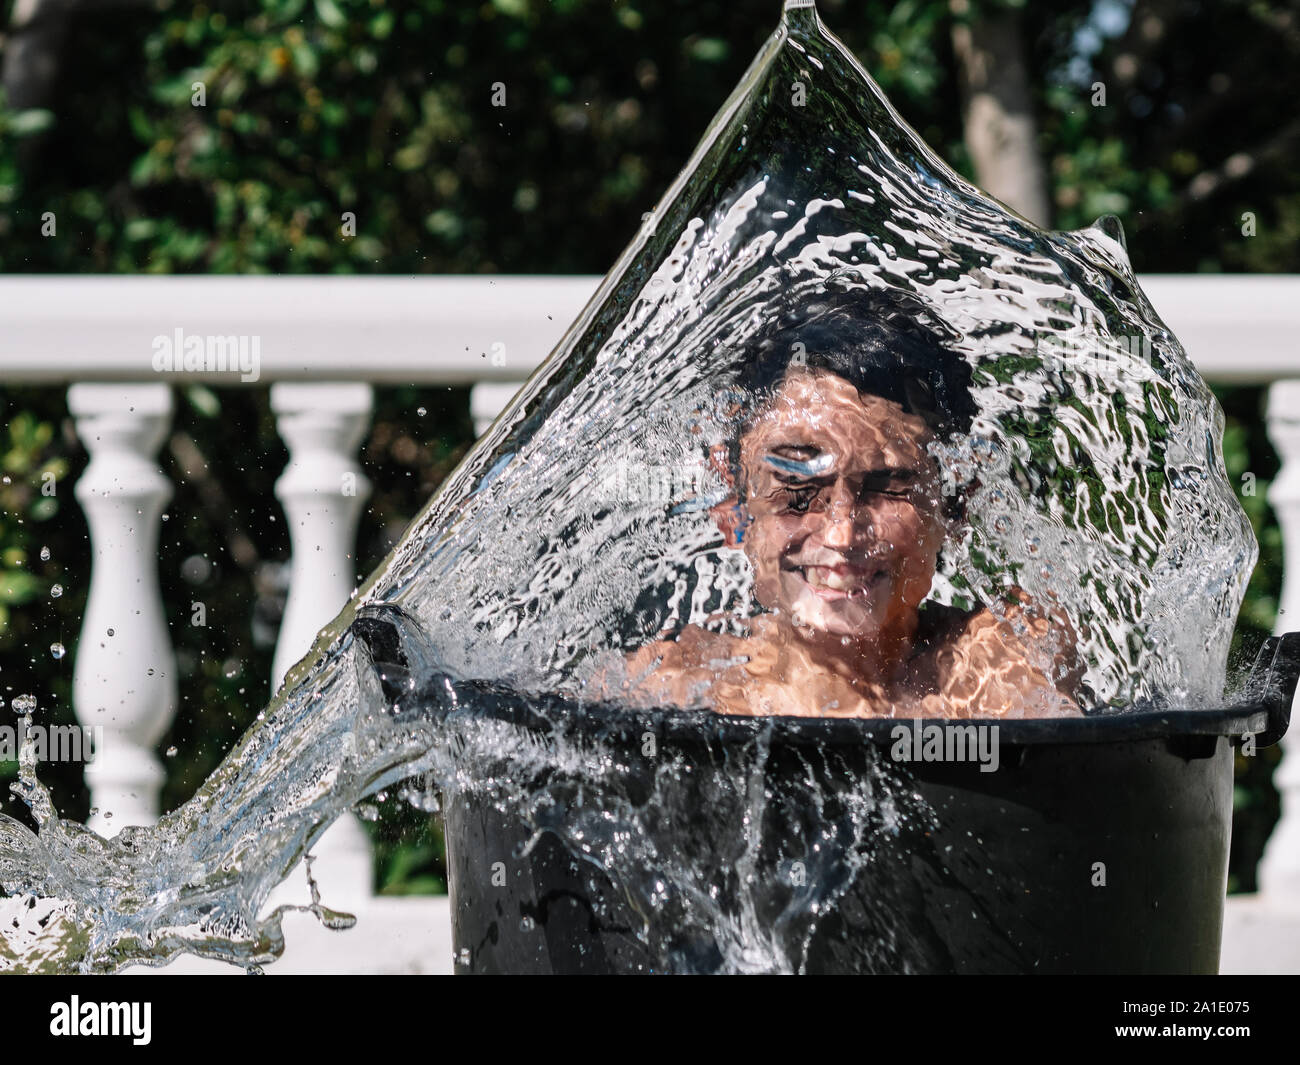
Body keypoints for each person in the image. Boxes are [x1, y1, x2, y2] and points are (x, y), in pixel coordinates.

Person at [588, 288, 1083, 719]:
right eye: (798, 486)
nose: (841, 535)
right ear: (733, 502)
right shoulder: (674, 686)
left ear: (954, 506)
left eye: (888, 486)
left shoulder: (998, 663)